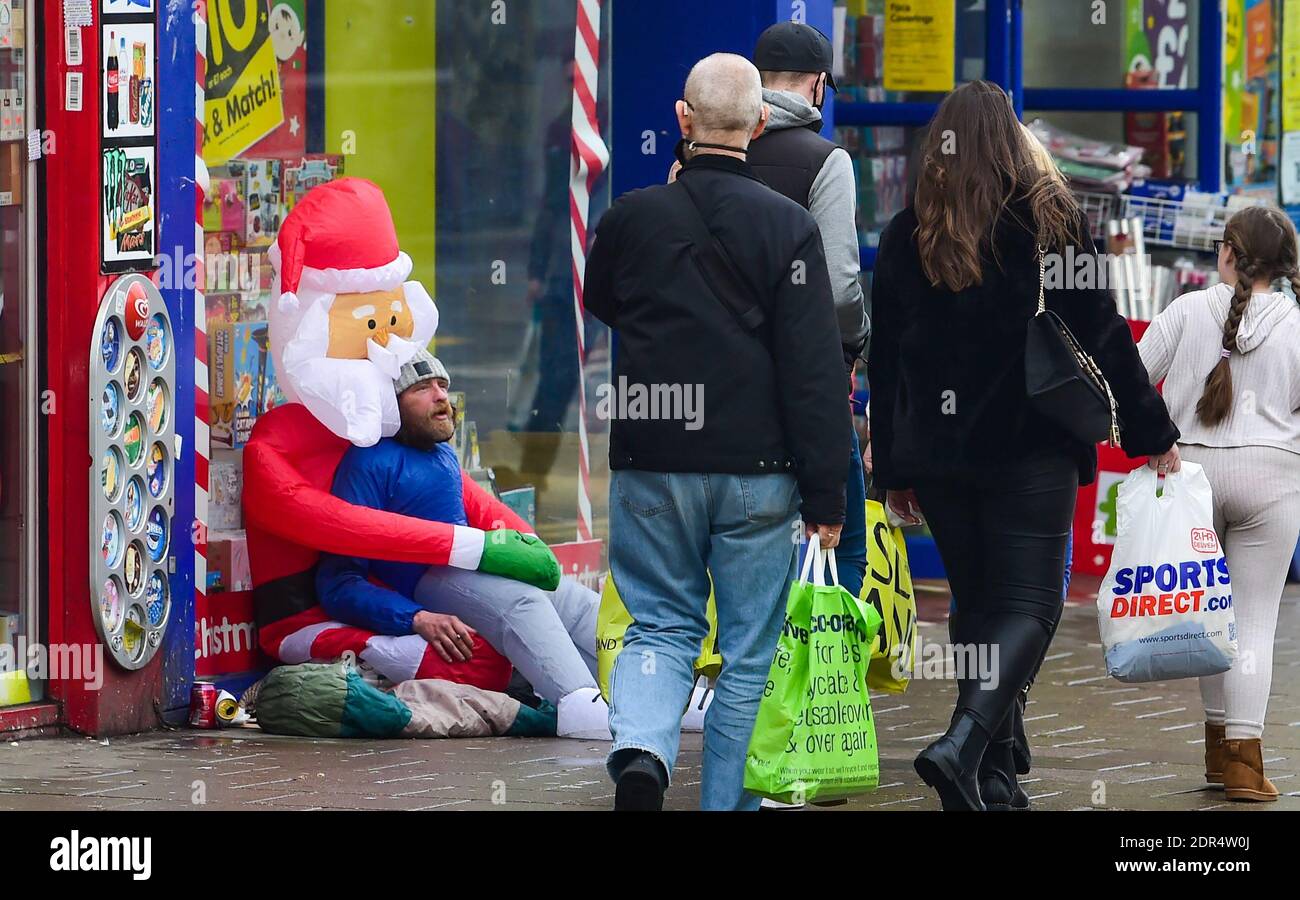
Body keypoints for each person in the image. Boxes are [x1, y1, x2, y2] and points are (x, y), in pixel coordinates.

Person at [868, 81, 1179, 811]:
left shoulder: (907, 233)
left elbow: (886, 361)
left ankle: (994, 779)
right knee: (1032, 607)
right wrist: (1152, 432)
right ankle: (963, 744)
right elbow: (1105, 334)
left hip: (942, 459)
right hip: (1028, 449)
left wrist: (893, 464)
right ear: (1011, 143)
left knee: (979, 608)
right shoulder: (1050, 222)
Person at [584, 53, 851, 811]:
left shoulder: (632, 216)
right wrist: (825, 493)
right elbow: (813, 370)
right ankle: (724, 804)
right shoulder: (790, 228)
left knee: (660, 626)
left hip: (650, 456)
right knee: (748, 655)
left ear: (681, 120)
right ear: (761, 125)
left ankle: (641, 751)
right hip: (756, 471)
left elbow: (603, 297)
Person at [315, 349, 611, 740]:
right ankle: (577, 702)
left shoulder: (441, 454)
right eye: (423, 387)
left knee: (581, 604)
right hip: (425, 578)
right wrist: (414, 616)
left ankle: (639, 696)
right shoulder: (367, 464)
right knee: (523, 604)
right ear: (391, 402)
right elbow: (339, 580)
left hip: (470, 568)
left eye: (443, 385)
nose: (441, 396)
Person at [1137, 205, 1300, 802]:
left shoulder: (1185, 311)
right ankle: (1244, 761)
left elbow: (1130, 382)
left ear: (1228, 253)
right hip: (1274, 480)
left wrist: (1155, 442)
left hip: (1191, 475)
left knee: (1207, 611)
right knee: (1254, 621)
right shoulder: (1297, 325)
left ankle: (1214, 747)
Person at [750, 21, 871, 601]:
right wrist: (851, 347)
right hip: (809, 383)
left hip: (729, 389)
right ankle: (831, 669)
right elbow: (840, 283)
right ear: (818, 85)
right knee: (839, 538)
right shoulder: (827, 161)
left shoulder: (716, 149)